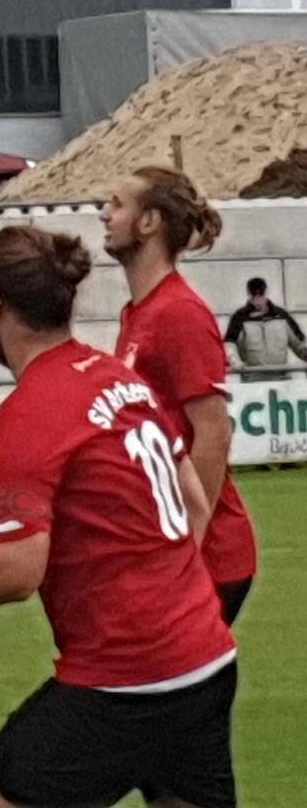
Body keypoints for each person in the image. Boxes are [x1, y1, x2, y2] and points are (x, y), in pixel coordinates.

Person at [0, 225, 237, 808]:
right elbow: (192, 500)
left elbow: (17, 571)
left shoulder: (30, 412)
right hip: (205, 657)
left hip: (124, 681)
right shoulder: (120, 377)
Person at [103, 167, 260, 623]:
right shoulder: (139, 313)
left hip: (208, 557)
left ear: (148, 222)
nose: (104, 215)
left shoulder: (180, 314)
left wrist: (189, 540)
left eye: (116, 204)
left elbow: (213, 432)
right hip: (166, 550)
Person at [225, 276, 307, 371]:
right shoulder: (239, 318)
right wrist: (236, 364)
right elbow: (230, 345)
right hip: (252, 377)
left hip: (281, 376)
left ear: (266, 292)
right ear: (248, 294)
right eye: (254, 294)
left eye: (261, 293)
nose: (258, 297)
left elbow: (299, 344)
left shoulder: (282, 316)